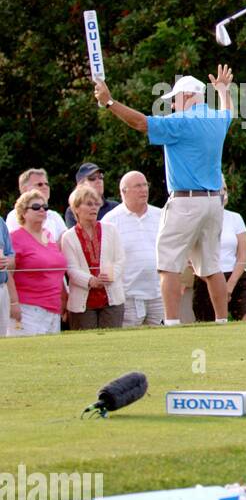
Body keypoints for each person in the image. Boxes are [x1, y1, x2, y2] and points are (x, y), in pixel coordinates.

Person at [94, 68, 234, 324]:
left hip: (186, 201)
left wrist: (109, 103)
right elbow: (228, 113)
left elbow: (140, 123)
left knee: (167, 264)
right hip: (214, 202)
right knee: (212, 266)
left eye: (175, 99)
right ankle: (222, 321)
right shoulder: (216, 120)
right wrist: (224, 91)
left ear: (189, 95)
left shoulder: (180, 122)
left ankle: (170, 322)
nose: (171, 104)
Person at [103, 171, 165, 326]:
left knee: (162, 343)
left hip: (159, 294)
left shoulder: (161, 216)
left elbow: (171, 250)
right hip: (128, 296)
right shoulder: (110, 221)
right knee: (131, 343)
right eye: (138, 186)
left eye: (145, 185)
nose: (144, 189)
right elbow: (106, 259)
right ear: (124, 191)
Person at [60, 185, 126, 330]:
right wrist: (90, 281)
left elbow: (120, 259)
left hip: (112, 298)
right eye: (89, 204)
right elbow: (71, 268)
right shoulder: (68, 237)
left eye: (96, 204)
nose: (94, 208)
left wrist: (110, 276)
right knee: (85, 345)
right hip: (82, 303)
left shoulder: (111, 229)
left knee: (112, 343)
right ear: (76, 208)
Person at [191, 185, 246, 322]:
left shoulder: (236, 218)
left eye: (225, 188)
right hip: (206, 278)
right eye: (218, 189)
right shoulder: (196, 220)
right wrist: (217, 287)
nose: (223, 192)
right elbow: (191, 258)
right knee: (209, 327)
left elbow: (242, 255)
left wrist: (229, 286)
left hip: (236, 278)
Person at [8, 190, 67, 336]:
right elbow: (7, 273)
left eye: (44, 207)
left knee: (52, 356)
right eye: (35, 207)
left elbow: (57, 270)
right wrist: (13, 303)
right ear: (23, 212)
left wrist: (64, 300)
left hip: (53, 308)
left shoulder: (48, 235)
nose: (41, 209)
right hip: (28, 309)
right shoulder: (15, 238)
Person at [6, 169, 67, 243]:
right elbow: (16, 244)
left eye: (46, 184)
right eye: (39, 184)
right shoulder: (15, 216)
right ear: (24, 189)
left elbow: (65, 243)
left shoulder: (54, 216)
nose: (45, 187)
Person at [63, 162, 119, 227]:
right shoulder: (73, 210)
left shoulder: (115, 207)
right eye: (92, 178)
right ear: (81, 185)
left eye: (100, 177)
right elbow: (74, 235)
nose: (98, 180)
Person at [0, 212, 14, 336]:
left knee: (3, 338)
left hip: (2, 288)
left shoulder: (0, 222)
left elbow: (10, 253)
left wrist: (7, 260)